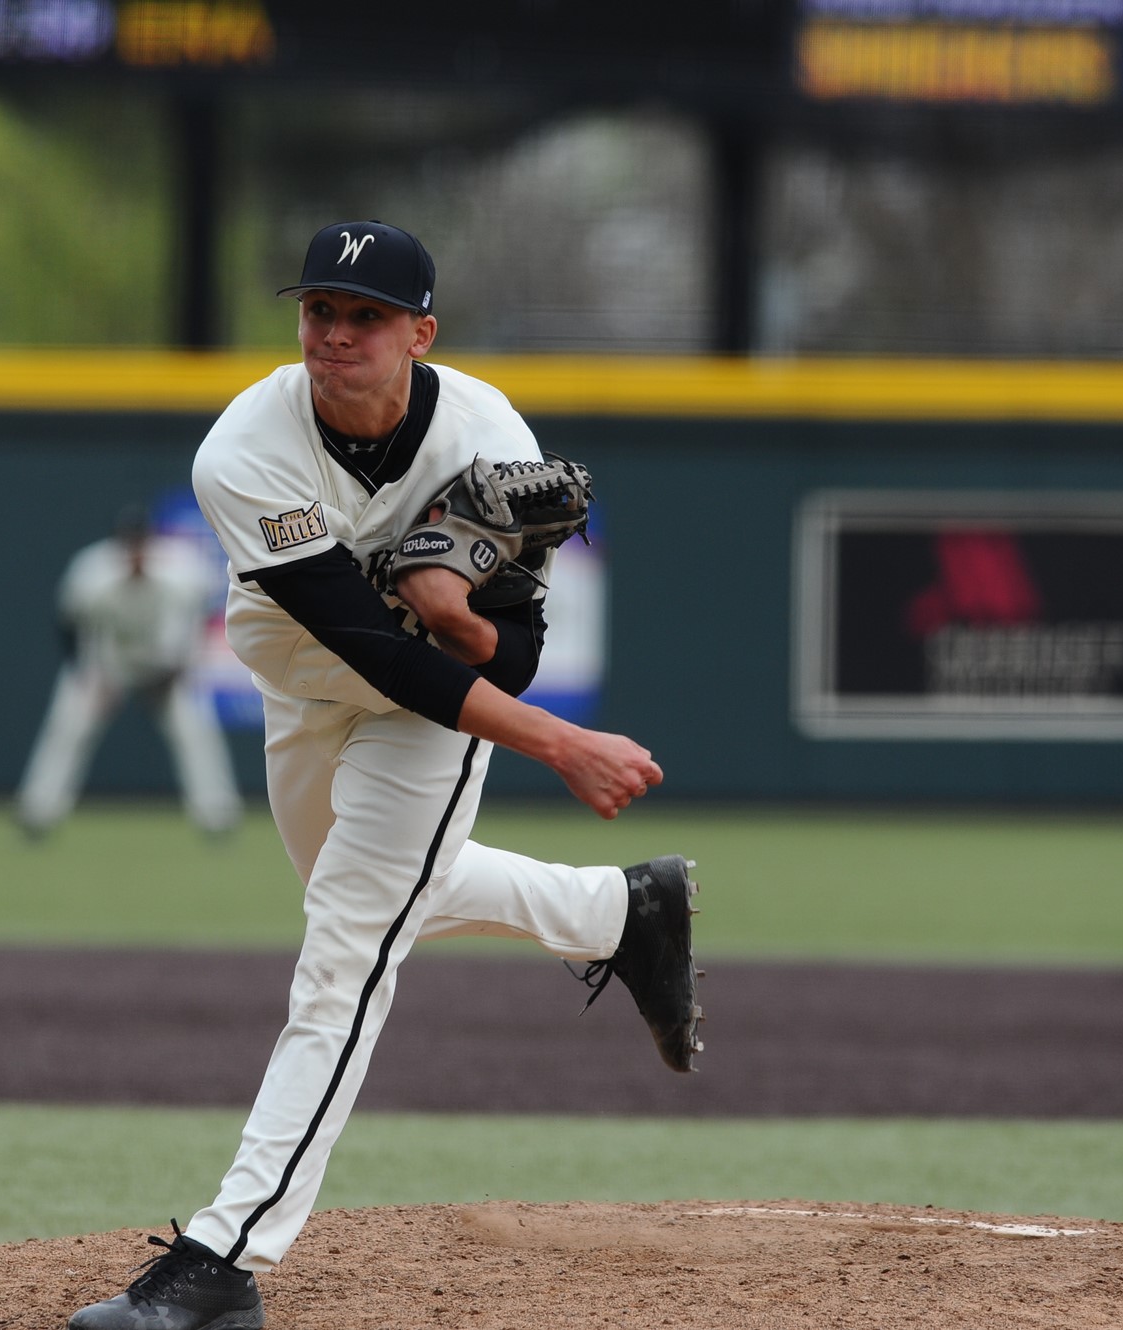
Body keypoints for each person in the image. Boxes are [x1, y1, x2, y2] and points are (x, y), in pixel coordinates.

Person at [65, 221, 703, 1330]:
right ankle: (619, 911)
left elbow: (512, 654)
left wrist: (462, 612)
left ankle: (223, 1256)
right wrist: (556, 742)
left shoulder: (487, 435)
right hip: (311, 692)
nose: (336, 335)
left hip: (424, 723)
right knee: (366, 894)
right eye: (319, 310)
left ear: (421, 333)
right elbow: (366, 644)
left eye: (365, 316)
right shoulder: (244, 451)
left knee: (345, 950)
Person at [15, 505, 242, 839]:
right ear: (118, 545)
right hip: (106, 666)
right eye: (128, 543)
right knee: (67, 729)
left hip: (166, 666)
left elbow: (202, 620)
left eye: (140, 542)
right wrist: (90, 675)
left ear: (151, 543)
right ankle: (37, 813)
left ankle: (217, 816)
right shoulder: (93, 572)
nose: (135, 551)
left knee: (195, 732)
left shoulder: (181, 570)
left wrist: (180, 666)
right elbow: (67, 626)